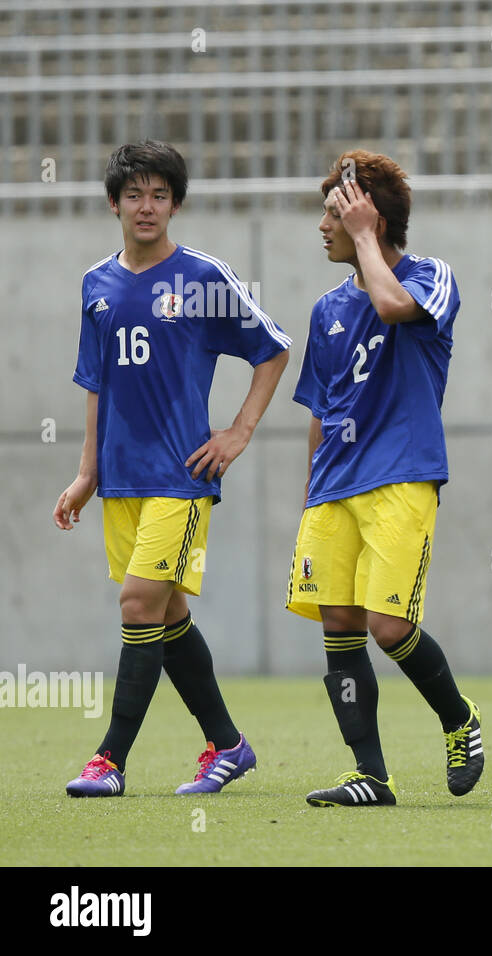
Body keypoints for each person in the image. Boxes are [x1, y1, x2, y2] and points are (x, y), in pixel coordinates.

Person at [58, 141, 291, 797]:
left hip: (182, 478)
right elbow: (95, 386)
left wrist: (239, 432)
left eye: (160, 194)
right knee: (166, 613)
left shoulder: (203, 278)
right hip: (121, 478)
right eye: (134, 194)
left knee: (136, 603)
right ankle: (228, 745)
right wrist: (86, 475)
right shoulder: (95, 285)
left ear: (177, 204)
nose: (147, 206)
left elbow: (272, 351)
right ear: (114, 203)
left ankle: (109, 761)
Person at [285, 150, 481, 807]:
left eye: (334, 213)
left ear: (370, 217)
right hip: (335, 486)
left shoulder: (431, 277)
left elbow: (394, 306)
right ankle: (370, 774)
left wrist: (367, 236)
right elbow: (321, 407)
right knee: (337, 624)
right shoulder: (325, 309)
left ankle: (458, 721)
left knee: (389, 626)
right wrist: (310, 492)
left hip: (402, 475)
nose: (322, 226)